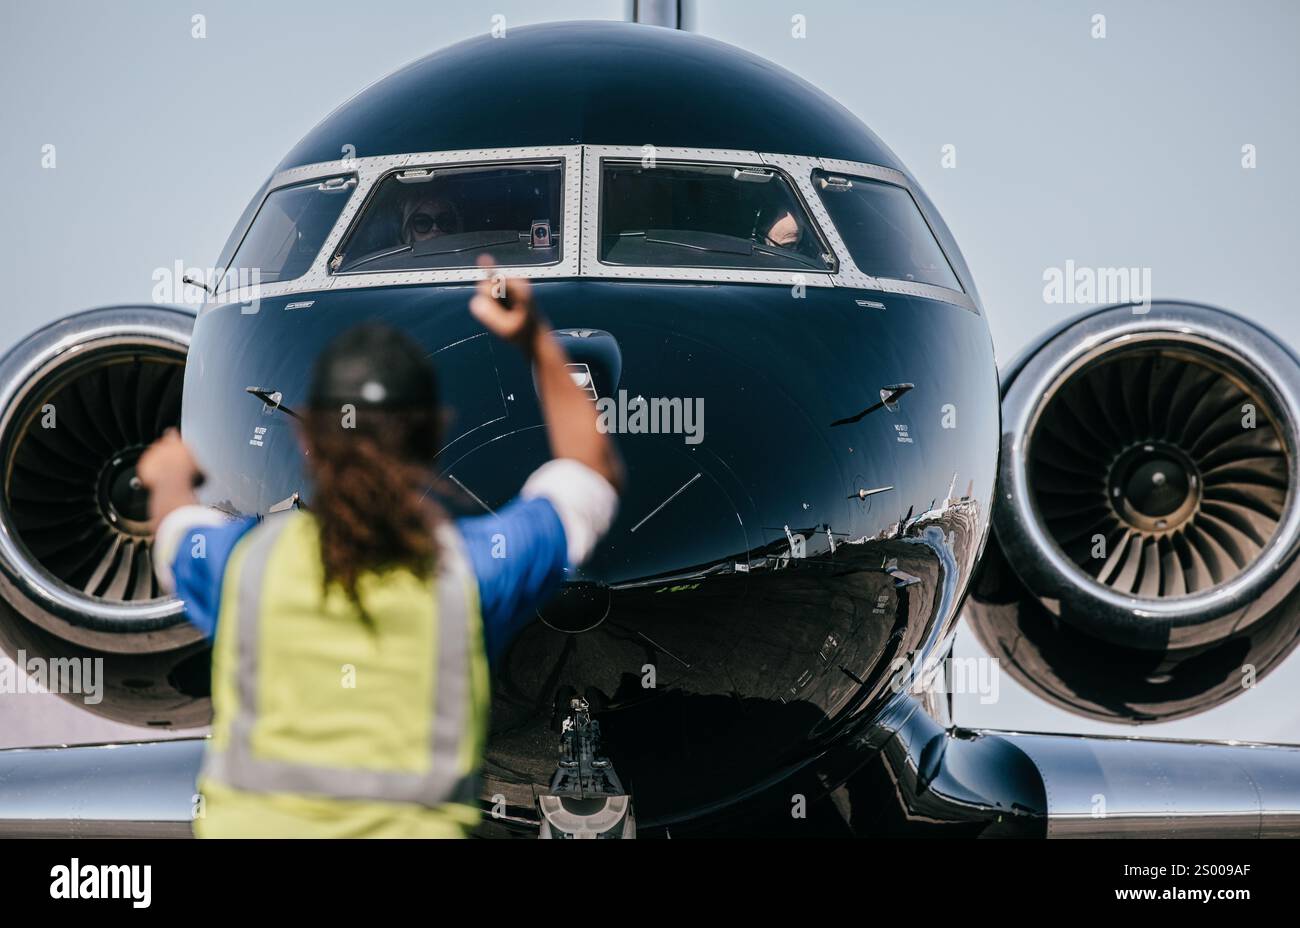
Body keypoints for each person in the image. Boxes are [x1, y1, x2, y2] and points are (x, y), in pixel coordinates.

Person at [137, 258, 622, 837]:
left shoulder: (245, 567)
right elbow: (588, 477)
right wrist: (535, 339)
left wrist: (169, 474)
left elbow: (174, 534)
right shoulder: (469, 570)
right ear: (433, 435)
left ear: (304, 433)